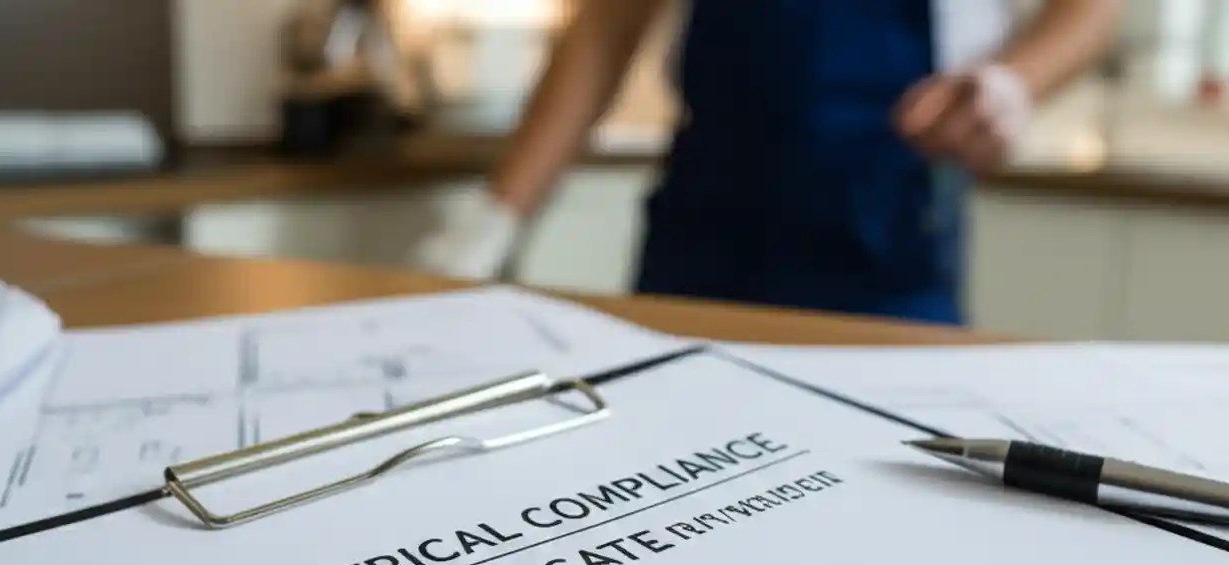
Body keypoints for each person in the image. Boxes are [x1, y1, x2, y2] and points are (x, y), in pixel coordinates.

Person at [415, 0, 1120, 323]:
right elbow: (608, 25)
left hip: (888, 250)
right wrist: (492, 221)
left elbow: (1092, 10)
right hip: (697, 245)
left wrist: (1013, 82)